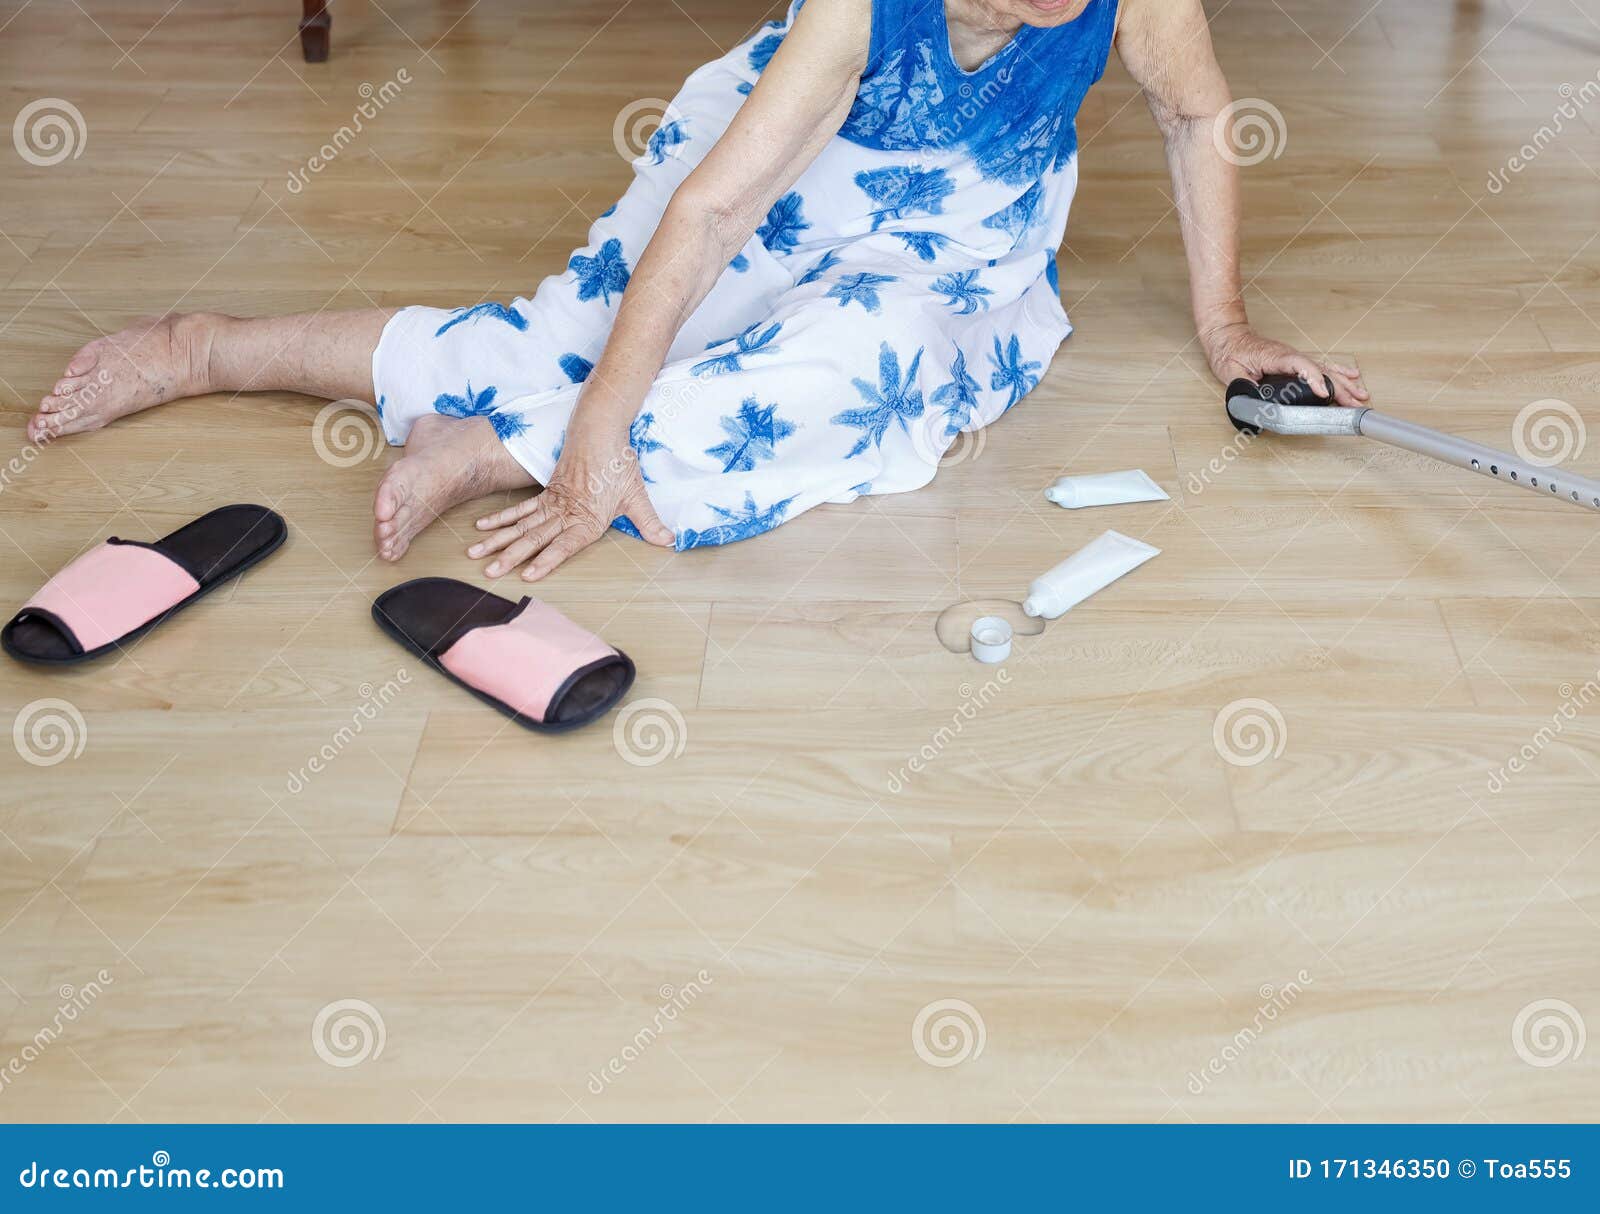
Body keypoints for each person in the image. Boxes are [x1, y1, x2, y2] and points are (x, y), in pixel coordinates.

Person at [29, 0, 1368, 581]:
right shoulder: (864, 9)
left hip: (954, 241)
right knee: (579, 340)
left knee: (875, 355)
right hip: (779, 159)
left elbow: (1199, 120)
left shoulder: (1129, 3)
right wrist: (599, 426)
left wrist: (1225, 326)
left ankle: (497, 449)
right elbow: (719, 206)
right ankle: (205, 349)